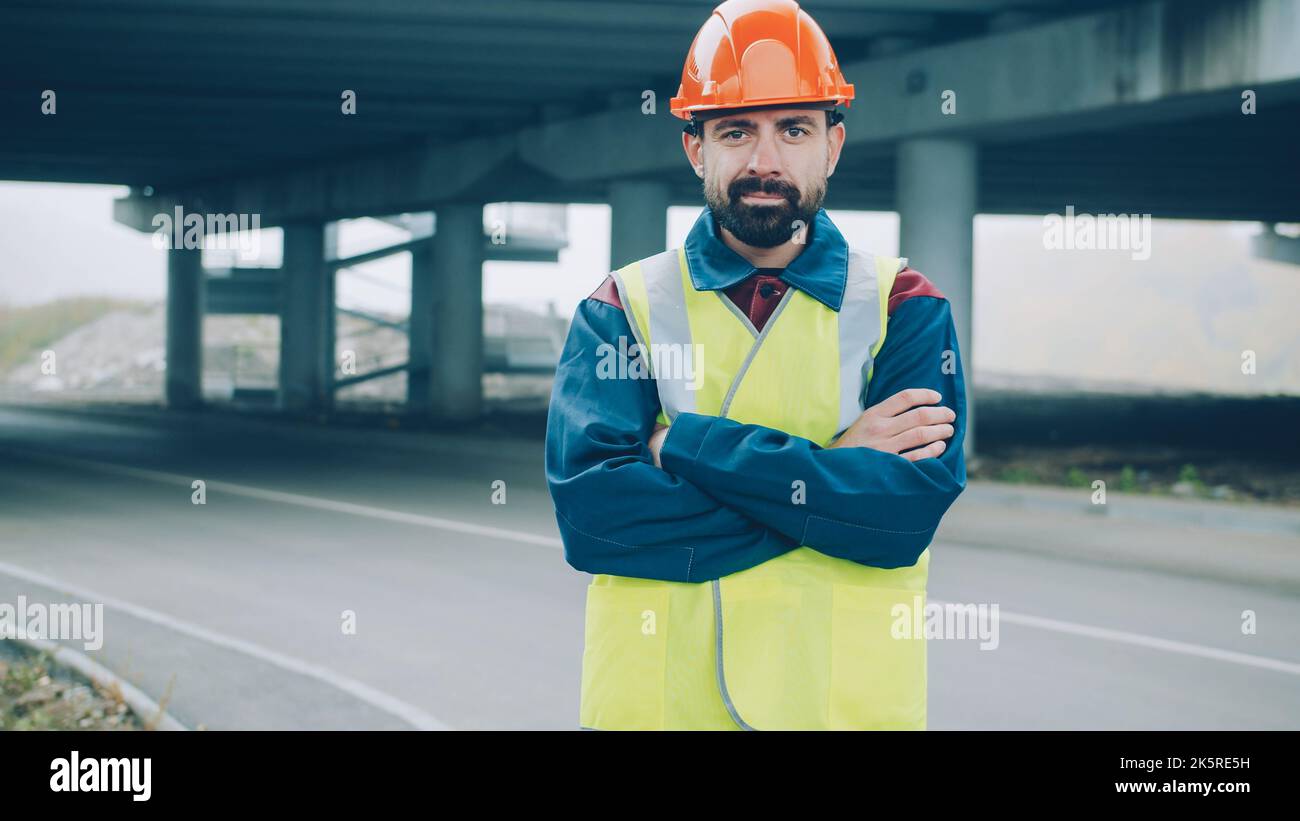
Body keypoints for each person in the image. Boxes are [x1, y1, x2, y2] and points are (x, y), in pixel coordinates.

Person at [545, 0, 967, 730]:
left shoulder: (904, 306)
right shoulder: (624, 308)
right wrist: (832, 476)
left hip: (837, 710)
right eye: (736, 131)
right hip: (660, 709)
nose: (764, 161)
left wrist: (679, 445)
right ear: (696, 150)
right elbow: (596, 521)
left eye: (794, 130)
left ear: (833, 145)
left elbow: (898, 520)